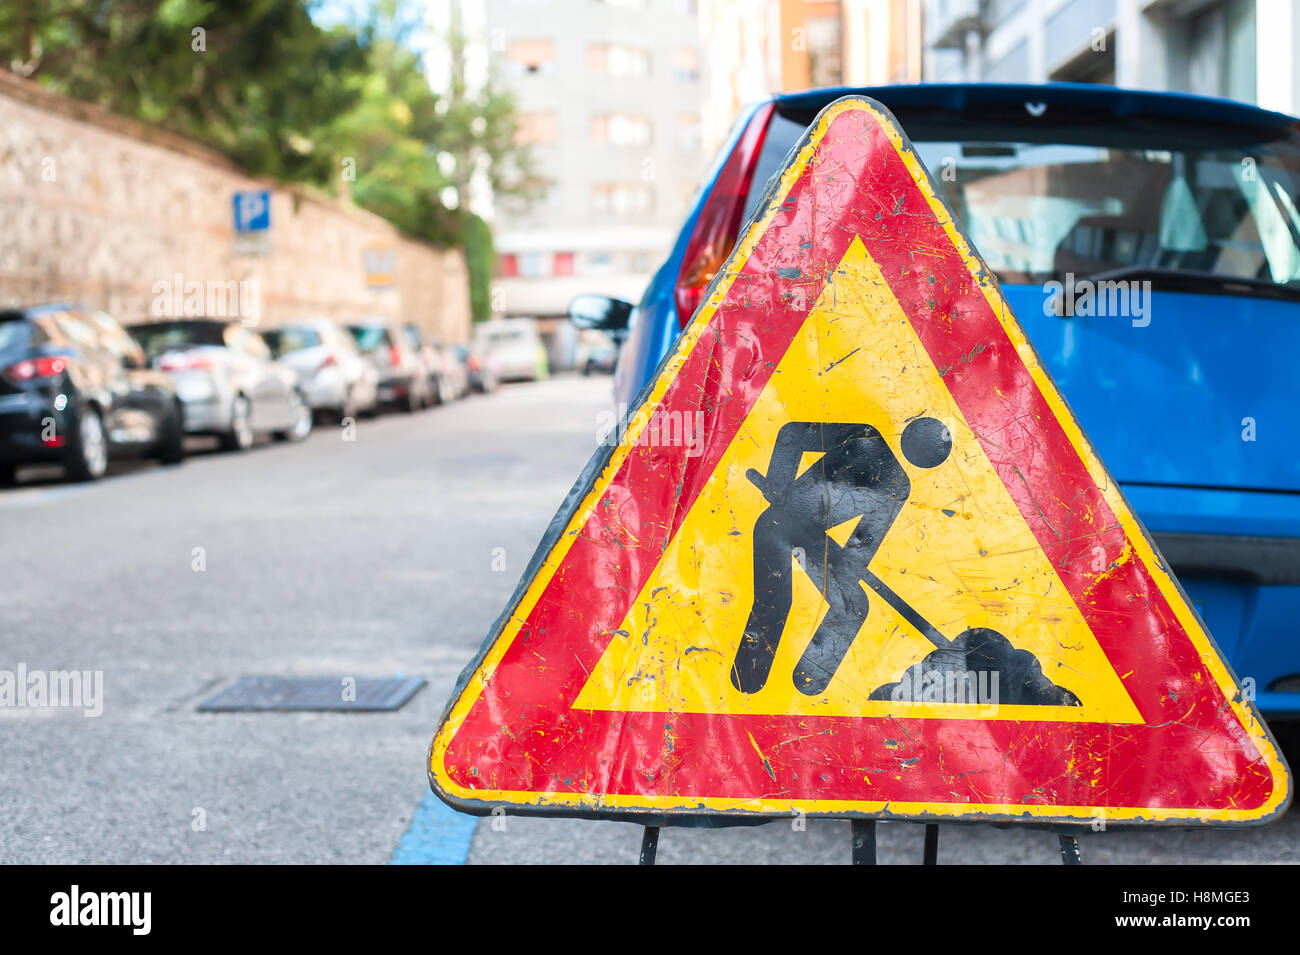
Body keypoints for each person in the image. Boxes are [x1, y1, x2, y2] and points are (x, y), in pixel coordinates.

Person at [730, 417, 951, 695]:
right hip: (775, 527)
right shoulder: (864, 435)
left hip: (810, 537)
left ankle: (808, 683)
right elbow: (792, 433)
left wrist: (850, 566)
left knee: (852, 603)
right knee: (774, 602)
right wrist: (778, 480)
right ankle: (749, 677)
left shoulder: (898, 487)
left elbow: (864, 542)